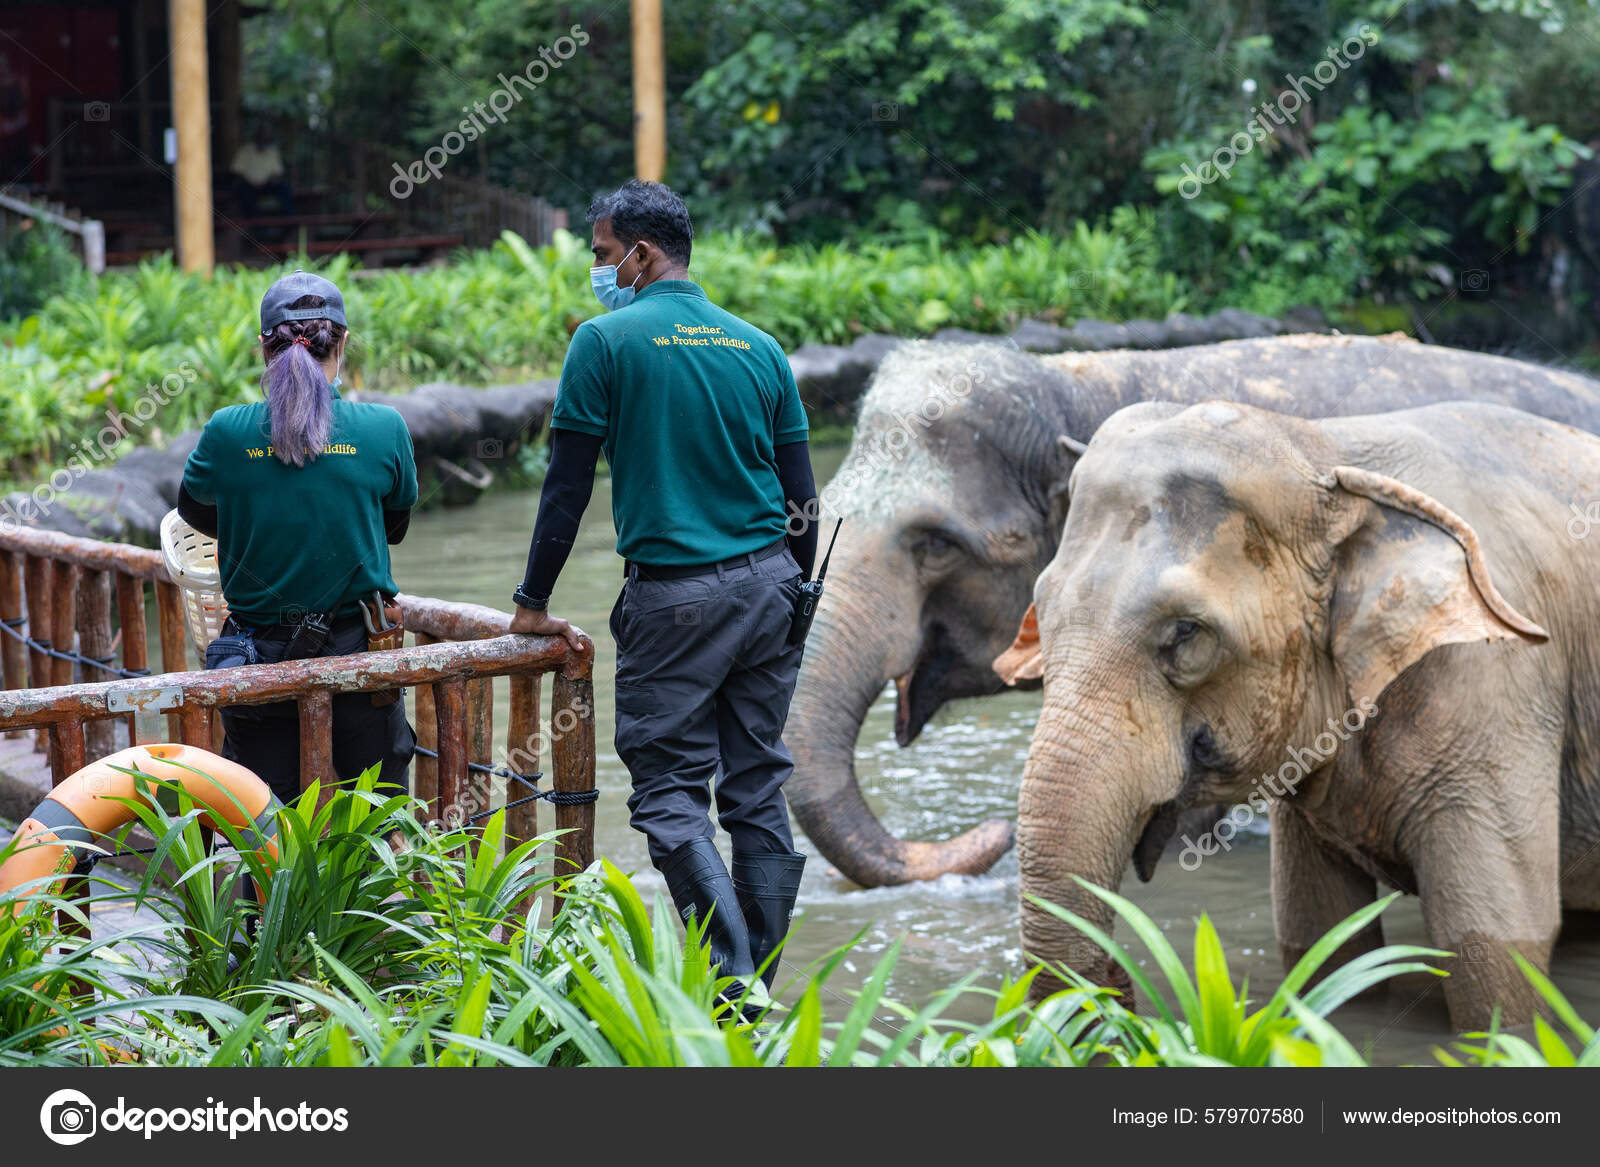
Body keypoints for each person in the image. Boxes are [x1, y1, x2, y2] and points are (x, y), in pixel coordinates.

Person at [508, 179, 818, 995]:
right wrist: (792, 596)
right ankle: (759, 981)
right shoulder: (760, 347)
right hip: (773, 588)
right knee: (756, 783)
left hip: (674, 598)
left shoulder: (604, 343)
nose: (600, 270)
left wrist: (532, 599)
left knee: (668, 788)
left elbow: (566, 486)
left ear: (642, 254)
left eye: (604, 254)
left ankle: (730, 983)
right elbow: (802, 499)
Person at [179, 270, 417, 806]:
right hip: (362, 649)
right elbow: (394, 526)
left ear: (264, 346)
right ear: (343, 341)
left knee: (263, 818)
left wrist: (255, 528)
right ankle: (361, 895)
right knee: (374, 813)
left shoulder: (227, 430)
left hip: (256, 653)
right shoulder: (383, 426)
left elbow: (193, 510)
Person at [230, 125, 295, 218]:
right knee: (242, 189)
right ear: (256, 136)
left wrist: (267, 181)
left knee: (285, 188)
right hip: (248, 185)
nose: (264, 139)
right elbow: (237, 172)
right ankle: (255, 222)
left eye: (266, 138)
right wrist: (252, 183)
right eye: (262, 136)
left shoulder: (273, 151)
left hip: (267, 185)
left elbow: (277, 173)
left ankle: (287, 220)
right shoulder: (246, 150)